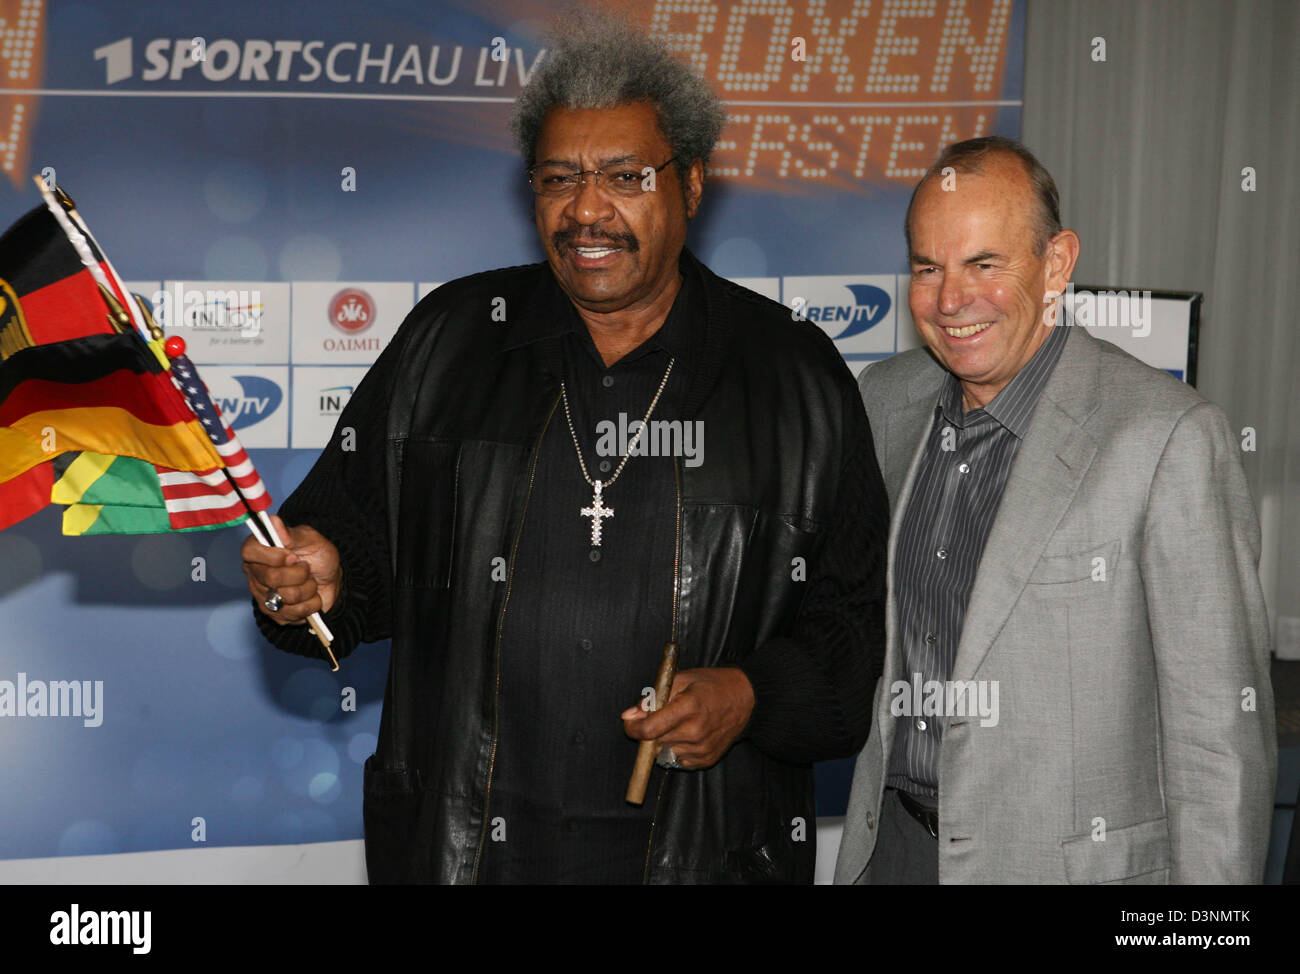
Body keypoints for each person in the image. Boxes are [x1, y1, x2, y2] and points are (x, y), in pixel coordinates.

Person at [242, 11, 887, 884]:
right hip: (469, 854)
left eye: (625, 176)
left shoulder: (794, 378)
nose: (587, 210)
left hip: (704, 857)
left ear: (691, 184)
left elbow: (847, 646)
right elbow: (345, 548)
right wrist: (318, 578)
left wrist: (749, 693)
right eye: (558, 179)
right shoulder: (450, 341)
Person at [834, 136, 1276, 884]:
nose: (949, 300)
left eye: (983, 264)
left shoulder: (1166, 436)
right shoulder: (886, 401)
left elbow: (1218, 743)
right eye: (927, 268)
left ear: (1057, 265)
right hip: (895, 853)